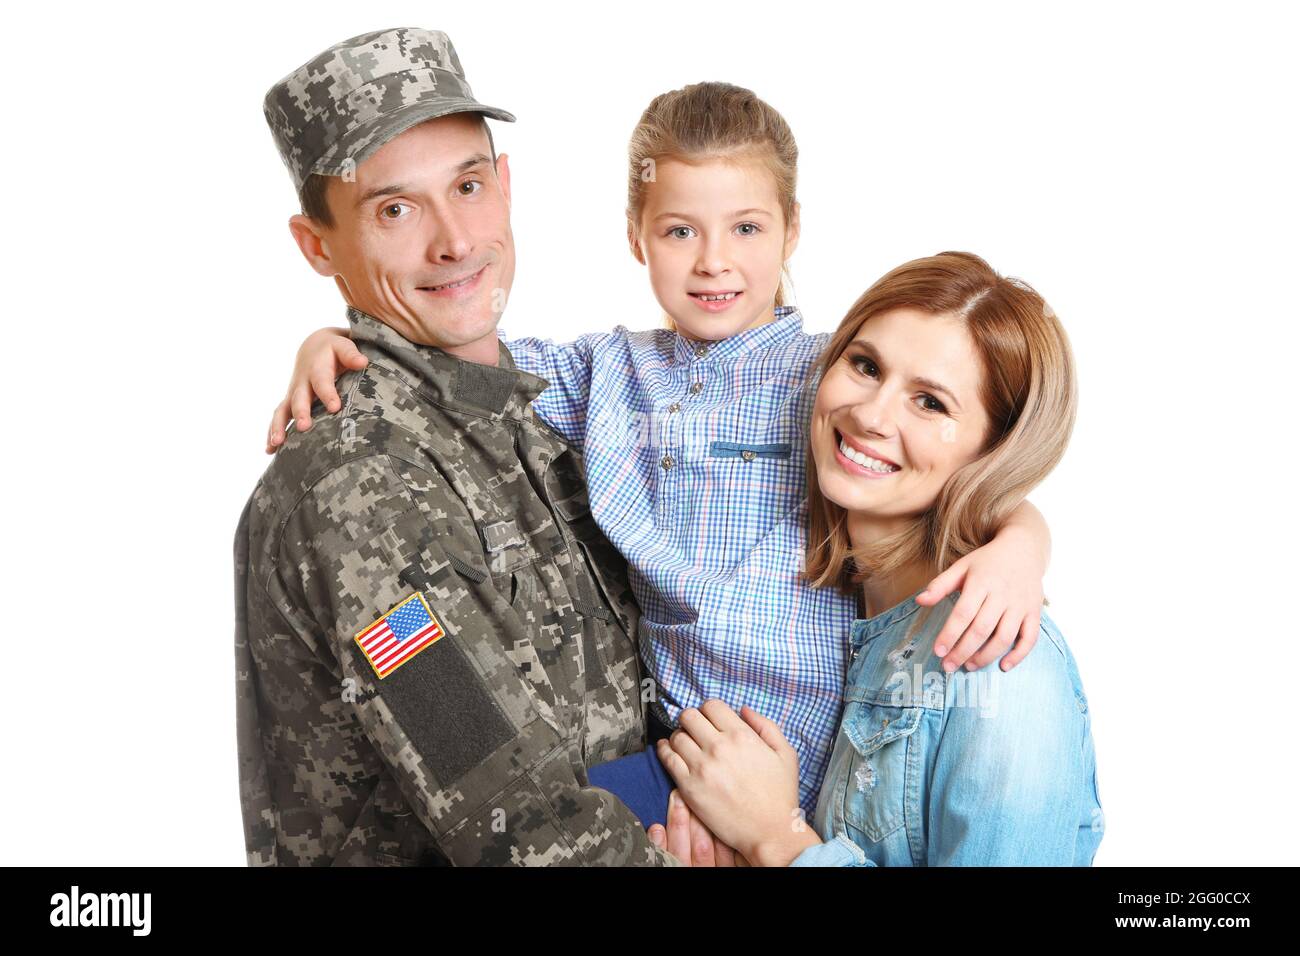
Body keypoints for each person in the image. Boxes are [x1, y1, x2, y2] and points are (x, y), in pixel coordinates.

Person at [263, 81, 1054, 824]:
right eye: (680, 231)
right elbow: (464, 367)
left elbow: (950, 465)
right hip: (674, 750)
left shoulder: (833, 376)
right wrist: (339, 336)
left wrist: (1022, 544)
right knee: (518, 812)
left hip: (817, 746)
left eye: (747, 228)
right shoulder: (604, 373)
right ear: (637, 237)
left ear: (793, 231)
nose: (714, 262)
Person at [236, 27, 685, 866]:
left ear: (506, 186)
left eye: (468, 185)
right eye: (395, 210)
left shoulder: (542, 418)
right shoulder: (356, 488)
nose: (452, 241)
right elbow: (521, 827)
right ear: (317, 245)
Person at [652, 252, 1104, 866]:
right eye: (865, 366)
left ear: (993, 452)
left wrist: (777, 838)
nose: (870, 415)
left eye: (931, 403)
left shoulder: (996, 663)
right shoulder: (841, 610)